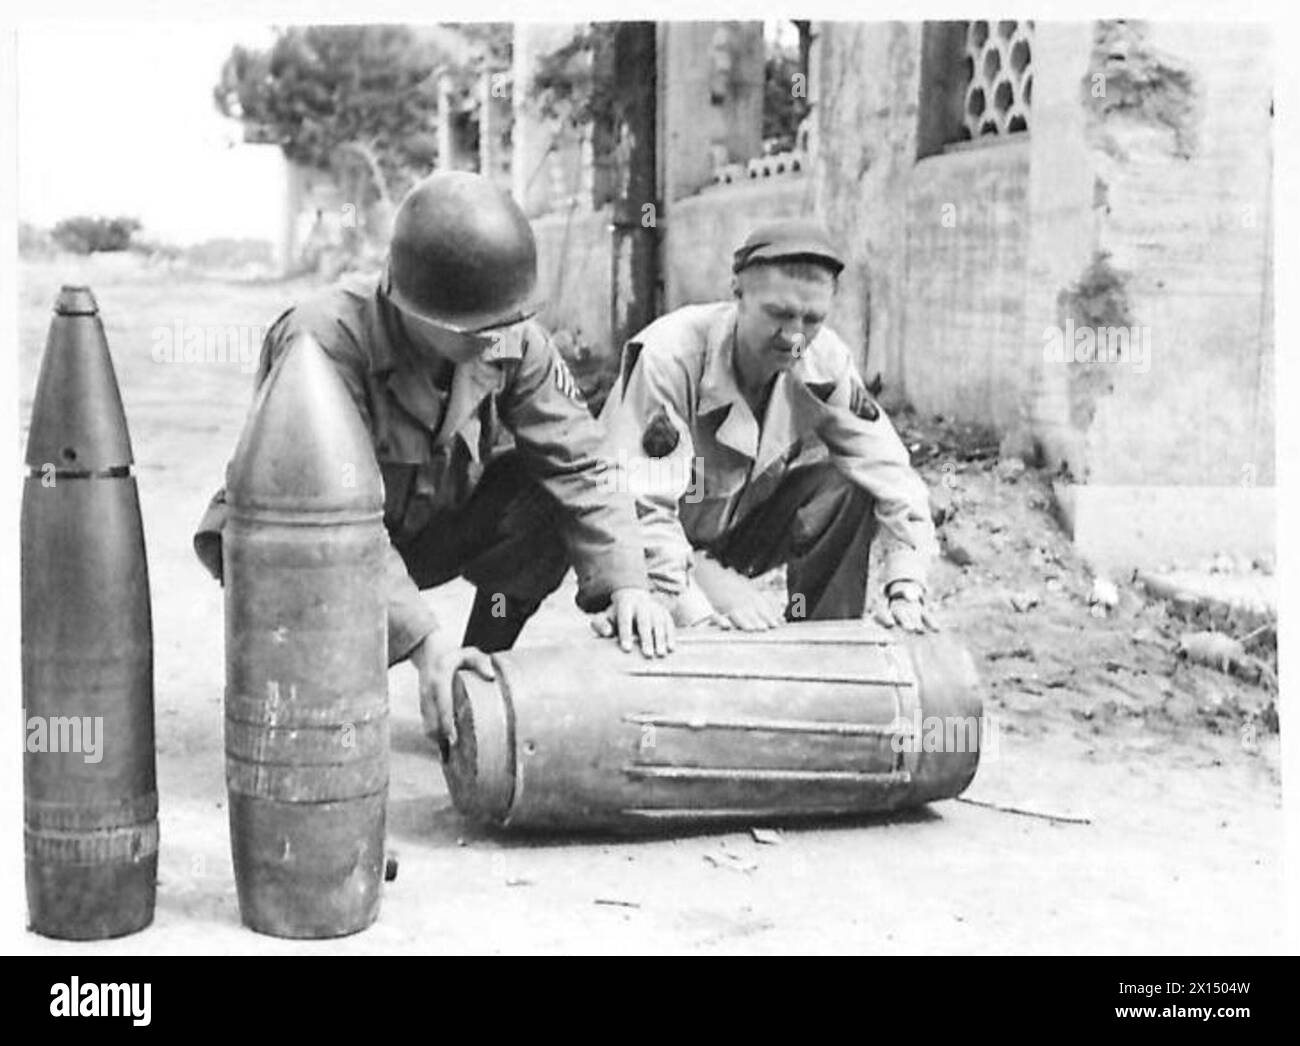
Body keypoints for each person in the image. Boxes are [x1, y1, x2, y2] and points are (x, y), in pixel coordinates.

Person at [195, 171, 674, 750]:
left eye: (504, 324)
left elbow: (581, 463)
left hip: (420, 528)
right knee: (317, 731)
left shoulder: (510, 337)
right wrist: (424, 640)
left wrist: (628, 584)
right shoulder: (320, 342)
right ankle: (359, 684)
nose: (496, 340)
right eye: (473, 330)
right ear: (405, 302)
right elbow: (323, 522)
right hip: (300, 551)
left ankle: (479, 690)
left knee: (543, 496)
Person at [598, 218, 939, 633]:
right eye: (779, 314)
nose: (794, 337)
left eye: (812, 320)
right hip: (644, 539)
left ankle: (827, 652)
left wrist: (906, 586)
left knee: (845, 486)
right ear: (737, 295)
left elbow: (892, 475)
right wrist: (701, 612)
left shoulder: (824, 362)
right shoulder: (670, 357)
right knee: (686, 639)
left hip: (733, 529)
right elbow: (638, 507)